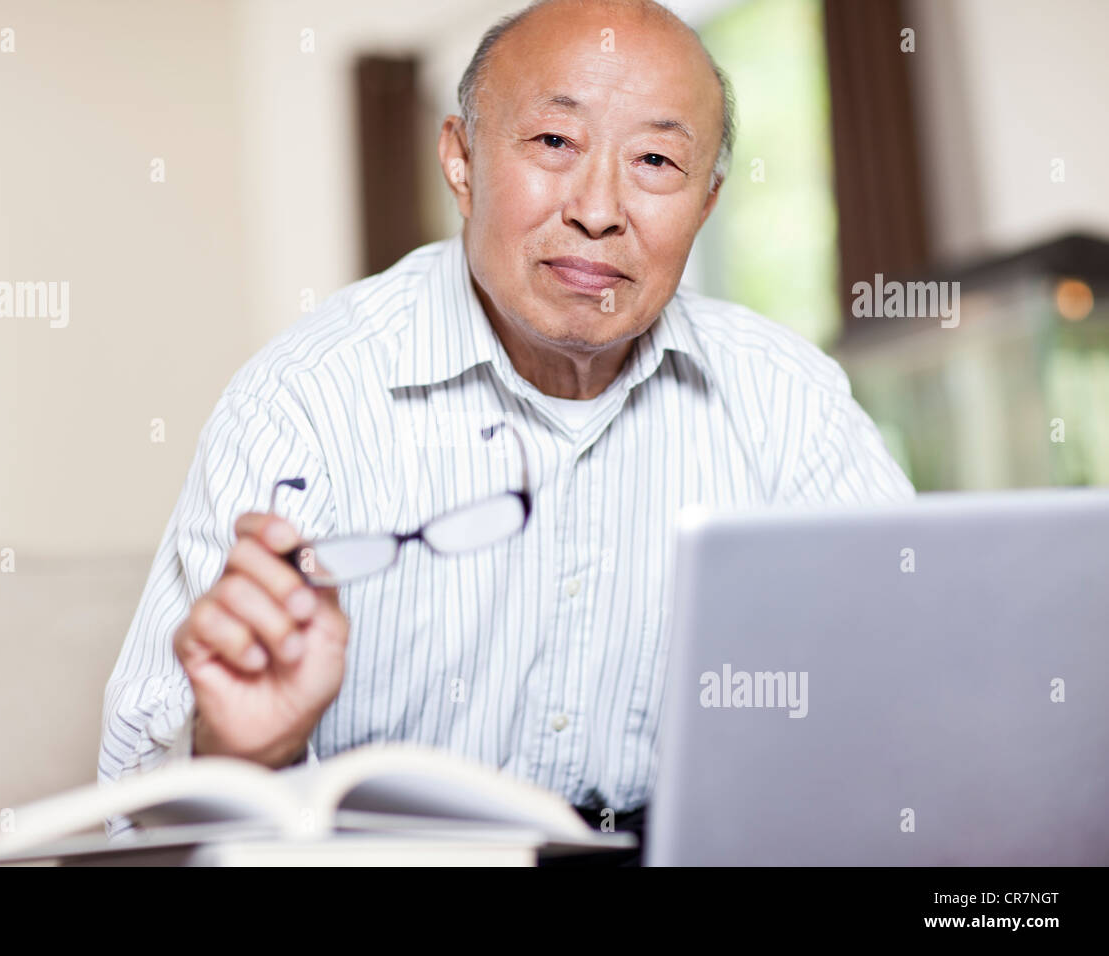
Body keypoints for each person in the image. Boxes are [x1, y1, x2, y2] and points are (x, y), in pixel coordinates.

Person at [99, 0, 914, 861]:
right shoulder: (301, 400)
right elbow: (130, 822)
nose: (598, 209)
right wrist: (244, 758)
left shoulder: (791, 401)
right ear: (459, 159)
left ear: (707, 203)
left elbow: (920, 700)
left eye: (657, 161)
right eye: (554, 143)